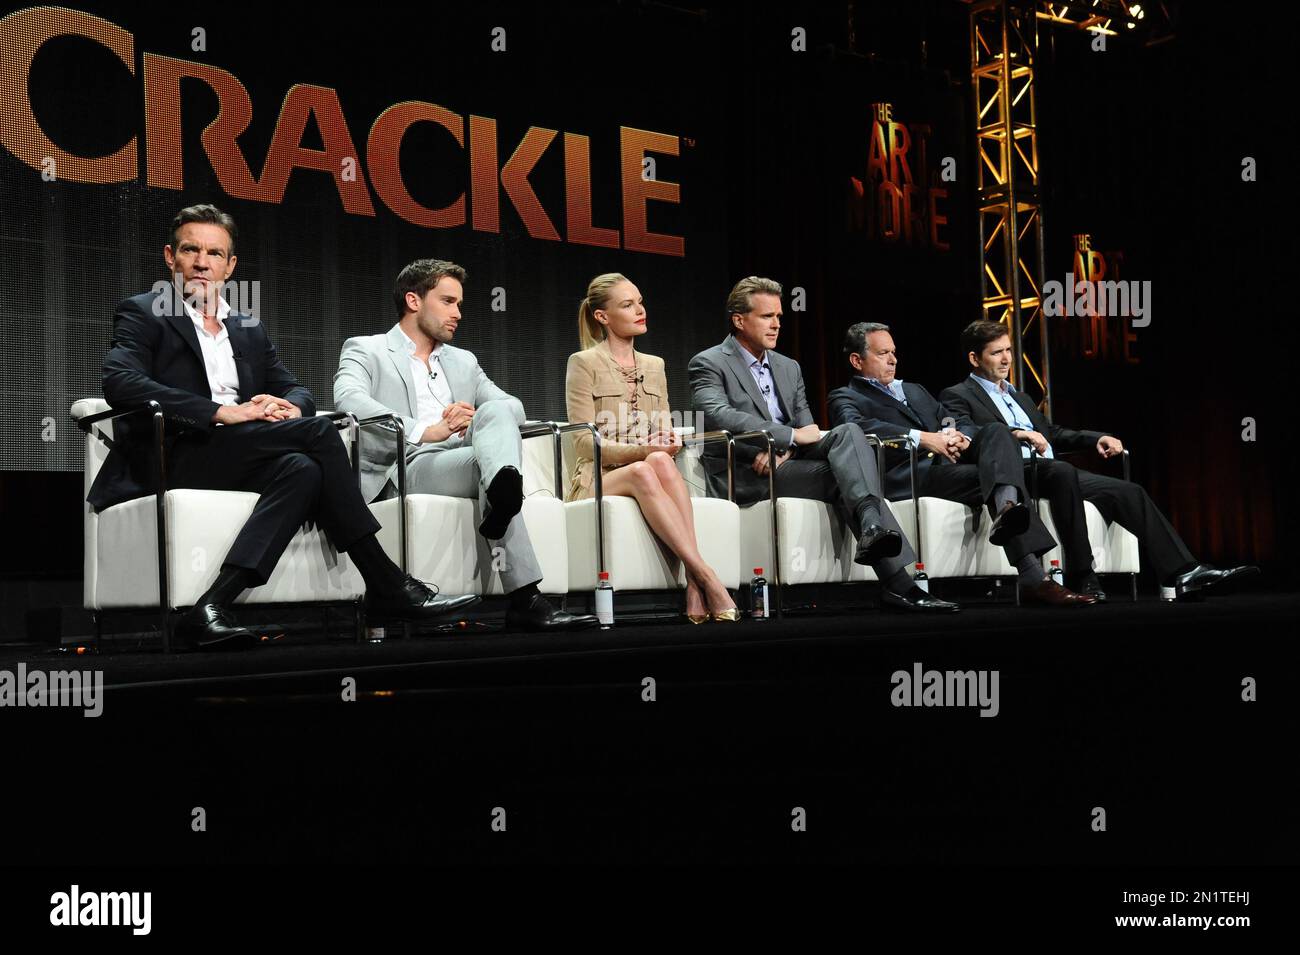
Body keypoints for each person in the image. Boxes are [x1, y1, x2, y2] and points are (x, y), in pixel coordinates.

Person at [88, 204, 478, 650]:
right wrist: (220, 411)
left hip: (239, 453)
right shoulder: (143, 312)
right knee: (320, 435)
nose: (202, 262)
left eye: (214, 253)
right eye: (190, 250)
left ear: (230, 266)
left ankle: (211, 606)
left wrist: (289, 406)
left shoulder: (247, 327)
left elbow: (296, 389)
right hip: (176, 452)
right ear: (169, 258)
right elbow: (120, 381)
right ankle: (386, 582)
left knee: (304, 469)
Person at [334, 258, 597, 631]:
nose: (458, 313)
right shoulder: (367, 348)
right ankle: (525, 599)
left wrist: (473, 414)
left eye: (459, 303)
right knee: (496, 463)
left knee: (496, 415)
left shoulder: (464, 361)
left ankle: (504, 492)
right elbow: (348, 399)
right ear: (413, 301)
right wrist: (426, 430)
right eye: (448, 302)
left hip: (465, 459)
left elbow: (515, 407)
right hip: (408, 464)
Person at [688, 277, 957, 613]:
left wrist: (782, 447)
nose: (776, 325)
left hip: (782, 459)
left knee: (847, 433)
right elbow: (717, 416)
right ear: (739, 320)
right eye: (766, 316)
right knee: (844, 477)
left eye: (780, 317)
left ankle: (873, 525)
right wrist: (782, 438)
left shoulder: (788, 366)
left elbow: (807, 428)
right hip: (742, 469)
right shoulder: (709, 362)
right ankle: (900, 583)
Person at [939, 320, 1259, 600]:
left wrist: (1095, 439)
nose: (1007, 358)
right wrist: (1017, 434)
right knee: (1063, 470)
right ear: (974, 358)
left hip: (1051, 468)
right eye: (997, 352)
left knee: (1128, 491)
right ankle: (1083, 575)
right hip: (1016, 471)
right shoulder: (957, 394)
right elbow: (968, 435)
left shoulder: (1018, 396)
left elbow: (1052, 432)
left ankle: (1184, 573)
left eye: (1008, 349)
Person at [827, 321, 1096, 606]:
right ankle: (1032, 575)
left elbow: (952, 421)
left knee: (997, 433)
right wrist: (924, 438)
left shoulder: (914, 390)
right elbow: (856, 428)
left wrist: (961, 437)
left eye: (894, 352)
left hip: (946, 470)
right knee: (999, 476)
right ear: (857, 361)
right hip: (908, 475)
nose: (893, 359)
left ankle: (1008, 512)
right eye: (883, 354)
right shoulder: (845, 396)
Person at [564, 273, 739, 622]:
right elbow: (584, 443)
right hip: (596, 477)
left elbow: (663, 429)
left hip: (650, 467)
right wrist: (642, 452)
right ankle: (703, 575)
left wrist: (669, 440)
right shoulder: (583, 363)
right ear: (603, 316)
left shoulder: (654, 365)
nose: (640, 310)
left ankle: (693, 582)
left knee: (656, 461)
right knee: (648, 464)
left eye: (640, 302)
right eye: (627, 305)